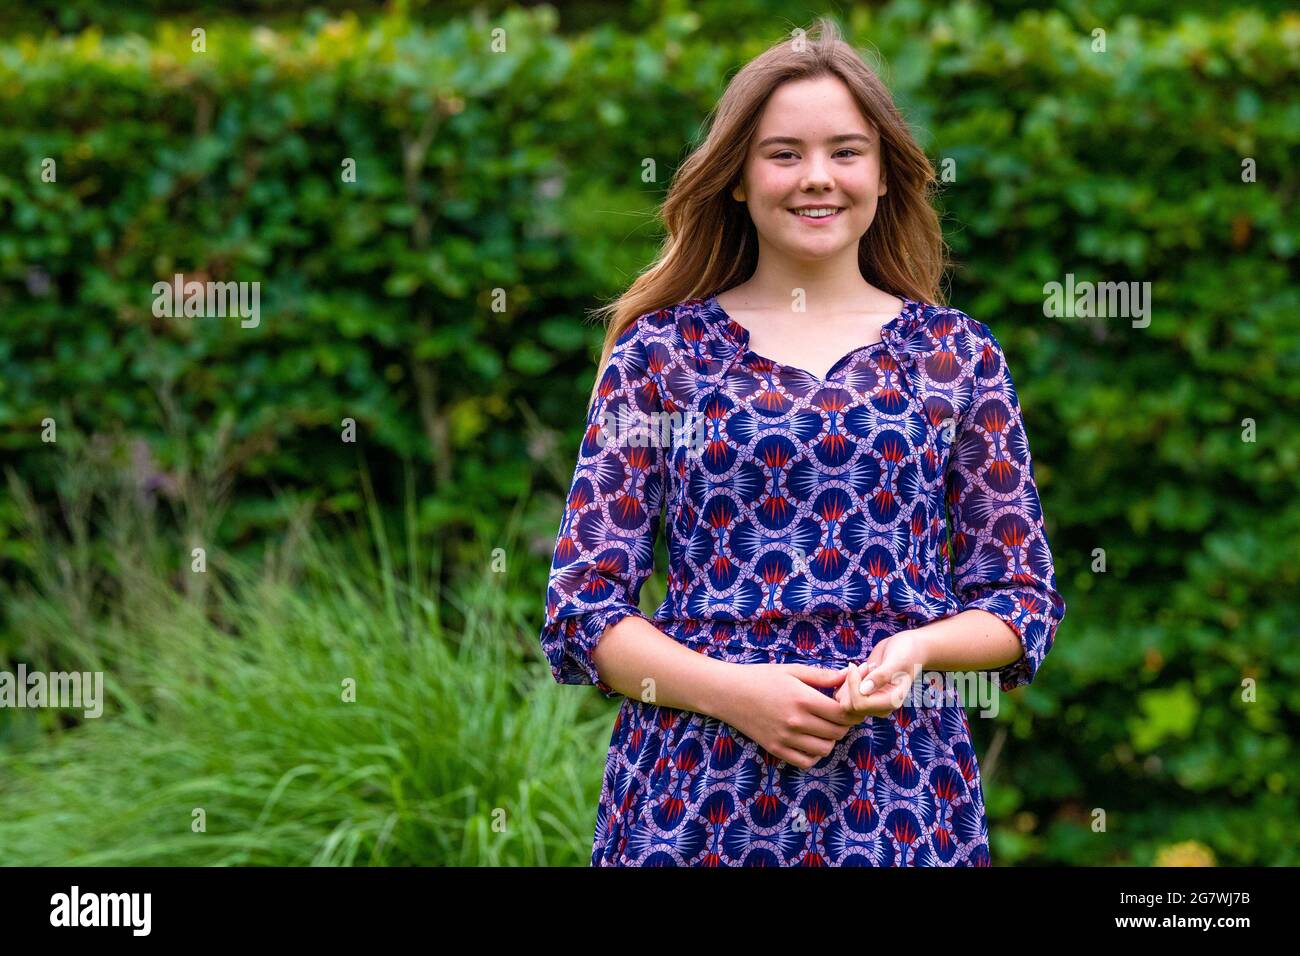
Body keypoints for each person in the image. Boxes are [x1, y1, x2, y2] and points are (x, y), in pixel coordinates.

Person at [538, 16, 1066, 866]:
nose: (817, 178)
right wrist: (735, 695)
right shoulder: (658, 357)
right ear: (738, 178)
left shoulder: (956, 356)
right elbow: (582, 608)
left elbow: (1020, 598)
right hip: (694, 791)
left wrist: (920, 650)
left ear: (888, 174)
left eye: (847, 152)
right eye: (784, 153)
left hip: (901, 793)